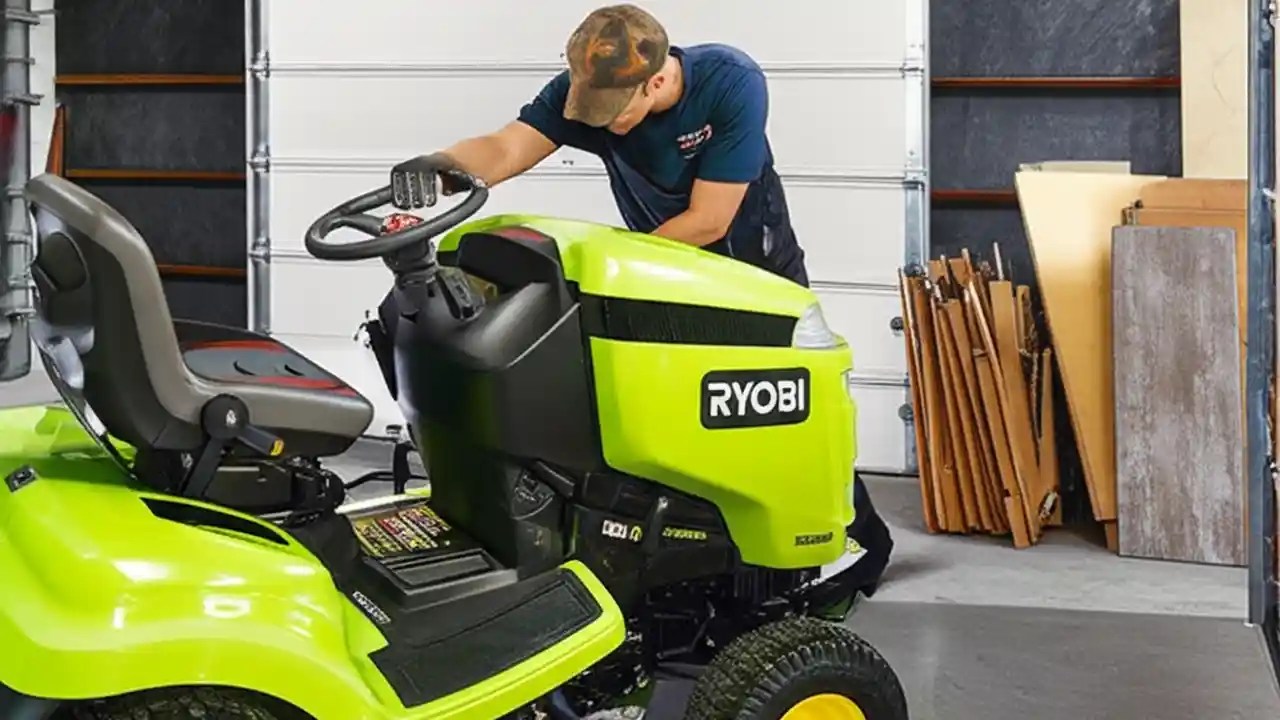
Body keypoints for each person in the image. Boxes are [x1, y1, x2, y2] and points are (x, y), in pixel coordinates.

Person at [387, 3, 892, 600]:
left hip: (754, 274)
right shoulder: (590, 91)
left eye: (613, 112)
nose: (601, 123)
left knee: (789, 417)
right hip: (666, 275)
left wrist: (619, 273)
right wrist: (444, 167)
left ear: (657, 79)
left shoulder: (729, 82)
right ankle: (709, 556)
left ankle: (860, 544)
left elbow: (709, 220)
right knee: (675, 418)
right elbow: (504, 148)